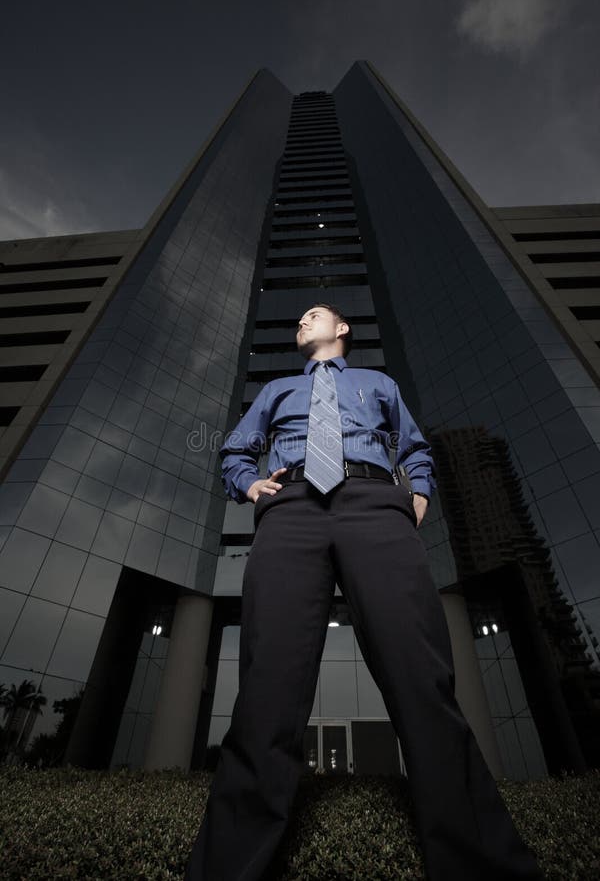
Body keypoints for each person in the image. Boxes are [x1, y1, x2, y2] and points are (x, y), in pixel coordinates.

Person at [183, 303, 543, 881]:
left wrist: (415, 495)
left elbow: (416, 448)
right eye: (295, 318)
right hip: (292, 508)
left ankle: (483, 866)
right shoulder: (275, 391)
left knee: (421, 678)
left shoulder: (378, 384)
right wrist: (252, 486)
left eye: (313, 315)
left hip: (375, 506)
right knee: (267, 689)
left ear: (342, 328)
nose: (300, 323)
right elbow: (234, 451)